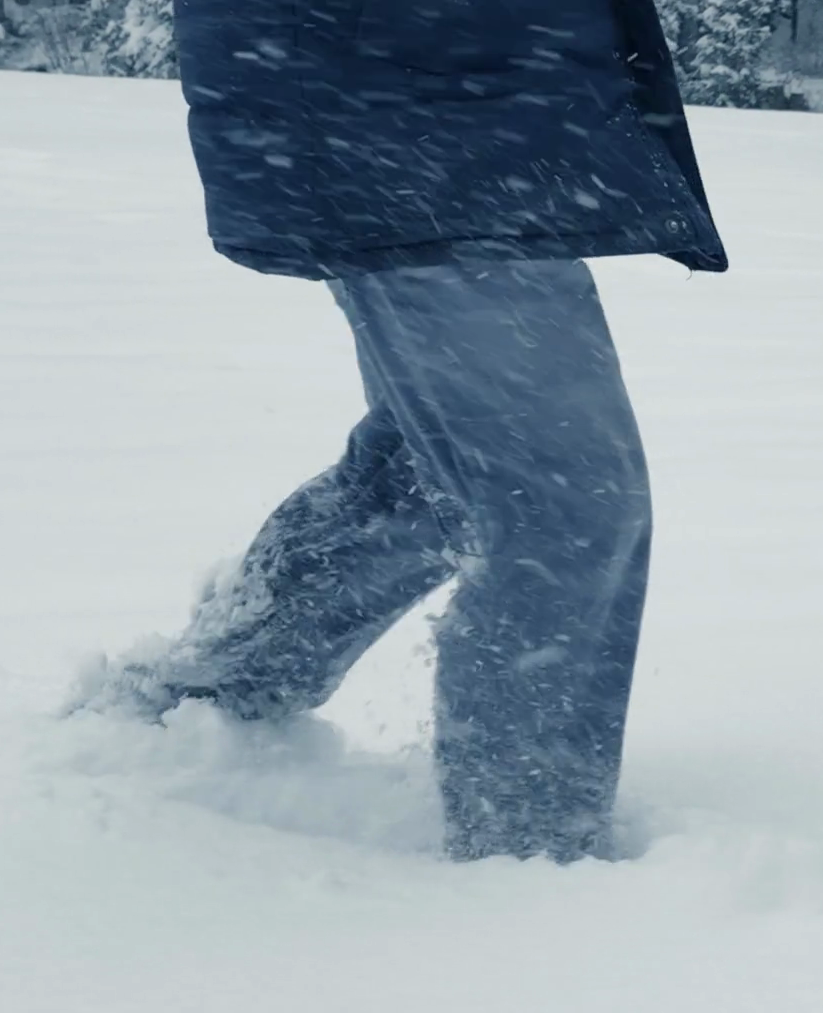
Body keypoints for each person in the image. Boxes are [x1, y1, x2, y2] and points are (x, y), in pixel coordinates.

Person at [73, 0, 727, 863]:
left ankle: (201, 698)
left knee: (431, 472)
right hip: (408, 117)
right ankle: (528, 853)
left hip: (432, 110)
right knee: (561, 499)